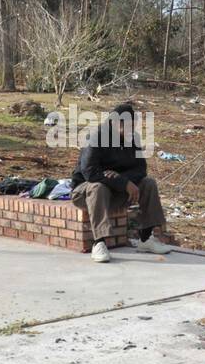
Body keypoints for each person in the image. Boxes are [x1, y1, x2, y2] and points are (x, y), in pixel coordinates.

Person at [71, 102, 172, 262]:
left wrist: (122, 179)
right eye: (129, 125)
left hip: (116, 194)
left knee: (148, 183)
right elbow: (90, 172)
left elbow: (141, 170)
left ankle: (146, 239)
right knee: (98, 187)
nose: (132, 129)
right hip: (85, 193)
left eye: (134, 125)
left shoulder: (133, 139)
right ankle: (99, 243)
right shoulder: (96, 137)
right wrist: (122, 181)